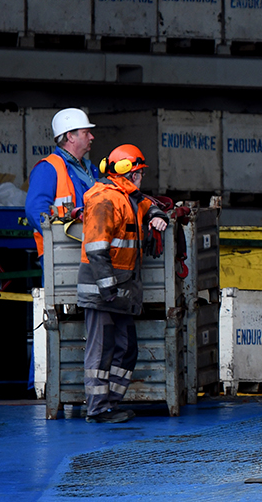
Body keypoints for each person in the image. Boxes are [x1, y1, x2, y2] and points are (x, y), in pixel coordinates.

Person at [76, 144, 167, 424]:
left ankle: (110, 403)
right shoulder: (105, 199)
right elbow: (95, 248)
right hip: (104, 292)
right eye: (139, 173)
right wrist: (107, 289)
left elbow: (147, 203)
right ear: (131, 173)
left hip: (120, 291)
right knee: (101, 351)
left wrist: (156, 215)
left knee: (127, 349)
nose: (141, 178)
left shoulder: (127, 196)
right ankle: (97, 408)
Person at [25, 107, 97, 255]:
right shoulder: (48, 168)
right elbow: (35, 211)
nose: (91, 137)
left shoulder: (91, 169)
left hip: (90, 248)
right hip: (61, 252)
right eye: (86, 133)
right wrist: (58, 240)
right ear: (70, 136)